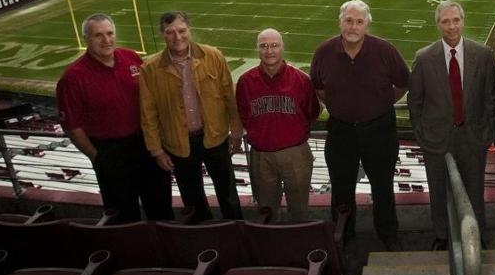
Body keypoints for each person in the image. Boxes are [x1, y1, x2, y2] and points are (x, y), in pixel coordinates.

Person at [310, 0, 410, 250]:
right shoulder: (323, 52)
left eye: (359, 21)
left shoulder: (385, 50)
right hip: (341, 131)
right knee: (341, 189)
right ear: (340, 22)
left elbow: (402, 83)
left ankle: (388, 235)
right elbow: (319, 89)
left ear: (367, 25)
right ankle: (343, 237)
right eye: (348, 20)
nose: (353, 26)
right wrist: (342, 106)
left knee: (383, 187)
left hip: (379, 130)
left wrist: (379, 104)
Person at [56, 14, 173, 222]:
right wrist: (98, 158)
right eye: (98, 35)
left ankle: (165, 242)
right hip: (111, 150)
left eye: (110, 33)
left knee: (161, 207)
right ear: (86, 39)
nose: (106, 40)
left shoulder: (131, 57)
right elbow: (72, 126)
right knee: (123, 215)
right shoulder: (73, 77)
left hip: (147, 144)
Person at [408, 1, 495, 251]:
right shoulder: (424, 58)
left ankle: (477, 235)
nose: (451, 26)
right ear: (438, 24)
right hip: (437, 139)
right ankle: (442, 235)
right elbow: (415, 102)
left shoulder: (483, 54)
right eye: (445, 21)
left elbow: (491, 97)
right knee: (438, 190)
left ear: (463, 21)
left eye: (456, 20)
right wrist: (422, 135)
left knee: (475, 190)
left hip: (473, 138)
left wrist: (486, 132)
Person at [139, 11, 243, 222]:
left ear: (189, 30)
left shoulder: (213, 56)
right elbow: (148, 114)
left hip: (214, 137)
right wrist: (156, 150)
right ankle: (200, 235)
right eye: (170, 32)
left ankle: (236, 231)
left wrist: (236, 130)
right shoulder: (150, 68)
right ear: (162, 34)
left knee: (228, 193)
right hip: (179, 143)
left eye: (182, 30)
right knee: (192, 198)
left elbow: (229, 97)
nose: (177, 37)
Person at [236, 28, 320, 222]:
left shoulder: (301, 80)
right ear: (257, 49)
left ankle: (297, 239)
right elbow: (243, 113)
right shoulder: (246, 81)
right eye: (264, 46)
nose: (269, 51)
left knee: (299, 211)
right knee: (266, 211)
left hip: (295, 153)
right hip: (261, 155)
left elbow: (312, 112)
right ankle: (270, 240)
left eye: (274, 45)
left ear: (282, 47)